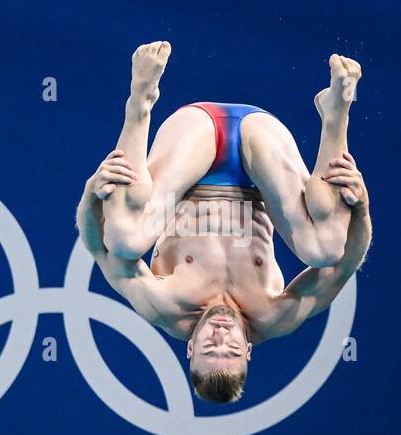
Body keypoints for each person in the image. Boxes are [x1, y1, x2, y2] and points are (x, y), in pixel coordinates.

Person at [76, 41, 371, 402]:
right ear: (247, 351)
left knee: (123, 239)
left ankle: (140, 101)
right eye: (230, 350)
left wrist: (92, 192)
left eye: (209, 349)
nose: (220, 337)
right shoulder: (274, 317)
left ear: (190, 350)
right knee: (324, 249)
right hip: (260, 153)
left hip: (192, 146)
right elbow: (343, 268)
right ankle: (335, 115)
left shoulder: (164, 307)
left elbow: (98, 249)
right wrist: (362, 207)